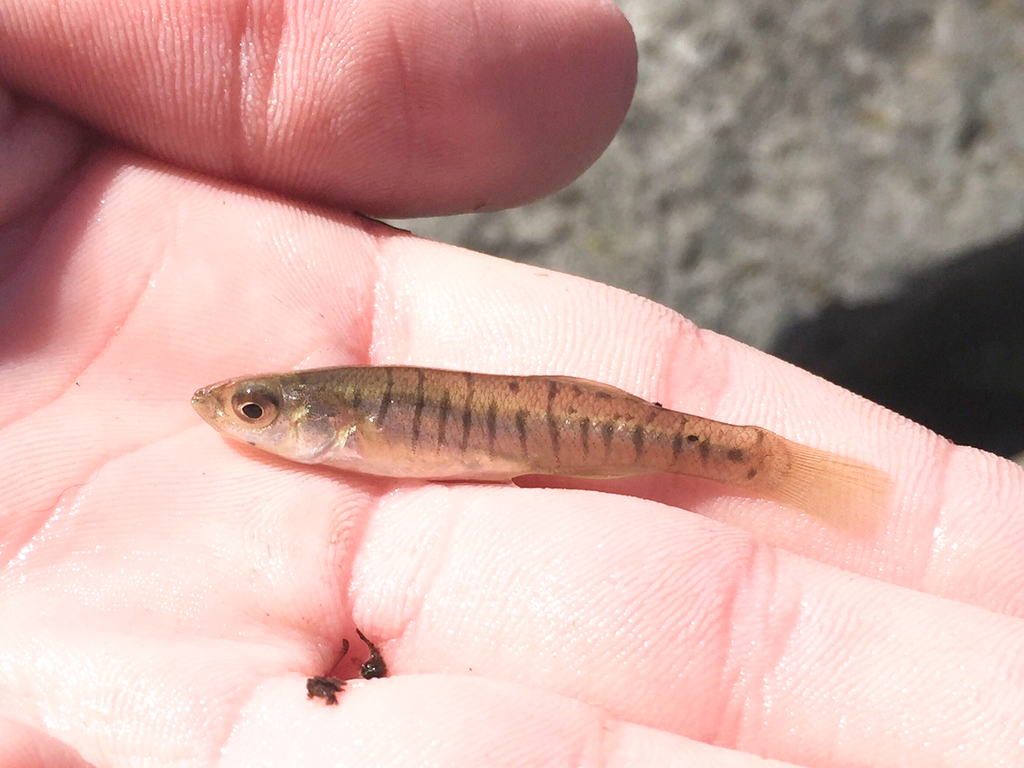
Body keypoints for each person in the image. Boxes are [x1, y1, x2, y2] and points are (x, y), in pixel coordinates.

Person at [1, 1, 1021, 765]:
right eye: (250, 411)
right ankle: (761, 465)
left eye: (255, 410)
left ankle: (764, 466)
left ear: (319, 418)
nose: (240, 420)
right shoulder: (341, 409)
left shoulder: (350, 417)